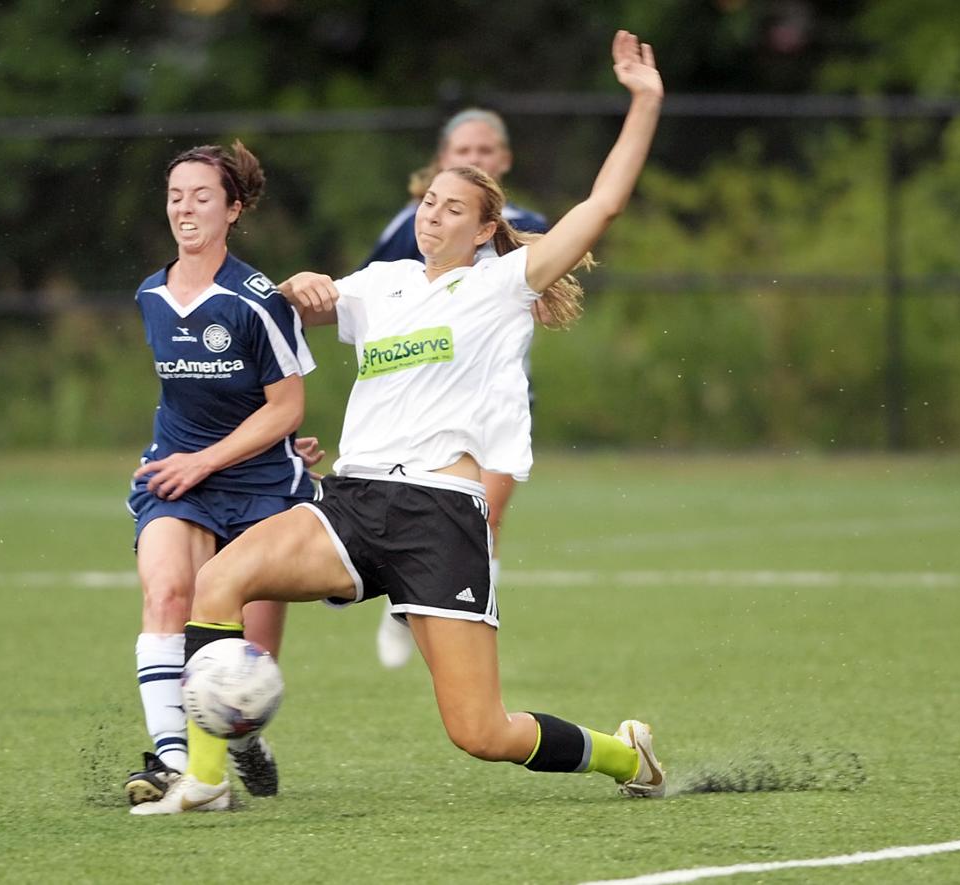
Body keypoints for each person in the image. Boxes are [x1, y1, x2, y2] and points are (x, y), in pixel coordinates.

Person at [130, 30, 667, 815]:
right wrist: (306, 288)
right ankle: (205, 778)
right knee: (220, 579)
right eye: (427, 202)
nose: (433, 215)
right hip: (351, 501)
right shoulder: (379, 283)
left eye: (454, 208)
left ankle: (625, 753)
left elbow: (604, 203)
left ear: (485, 228)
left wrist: (645, 101)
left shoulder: (503, 285)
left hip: (439, 517)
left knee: (480, 730)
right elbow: (278, 327)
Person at [122, 141, 317, 814]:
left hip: (265, 489)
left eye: (202, 196)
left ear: (232, 209)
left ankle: (240, 742)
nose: (186, 208)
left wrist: (237, 452)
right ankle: (173, 762)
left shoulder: (257, 299)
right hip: (179, 477)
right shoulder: (150, 294)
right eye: (176, 196)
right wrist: (191, 461)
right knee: (168, 591)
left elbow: (287, 405)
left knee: (245, 660)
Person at [364, 108, 550, 669]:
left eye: (486, 151)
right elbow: (375, 300)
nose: (475, 158)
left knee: (485, 515)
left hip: (496, 397)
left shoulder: (523, 224)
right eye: (463, 151)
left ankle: (464, 632)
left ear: (505, 161)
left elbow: (541, 294)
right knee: (429, 518)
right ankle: (406, 602)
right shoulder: (409, 227)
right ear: (443, 160)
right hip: (425, 404)